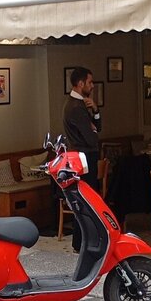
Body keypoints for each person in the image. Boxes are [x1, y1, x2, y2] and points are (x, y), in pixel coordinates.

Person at [62, 66, 101, 252]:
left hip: (81, 156)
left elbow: (97, 129)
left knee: (85, 199)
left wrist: (96, 111)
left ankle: (83, 241)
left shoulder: (79, 105)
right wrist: (92, 129)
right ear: (80, 83)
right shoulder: (75, 108)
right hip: (83, 158)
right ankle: (82, 241)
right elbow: (92, 137)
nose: (92, 86)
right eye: (90, 82)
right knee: (86, 200)